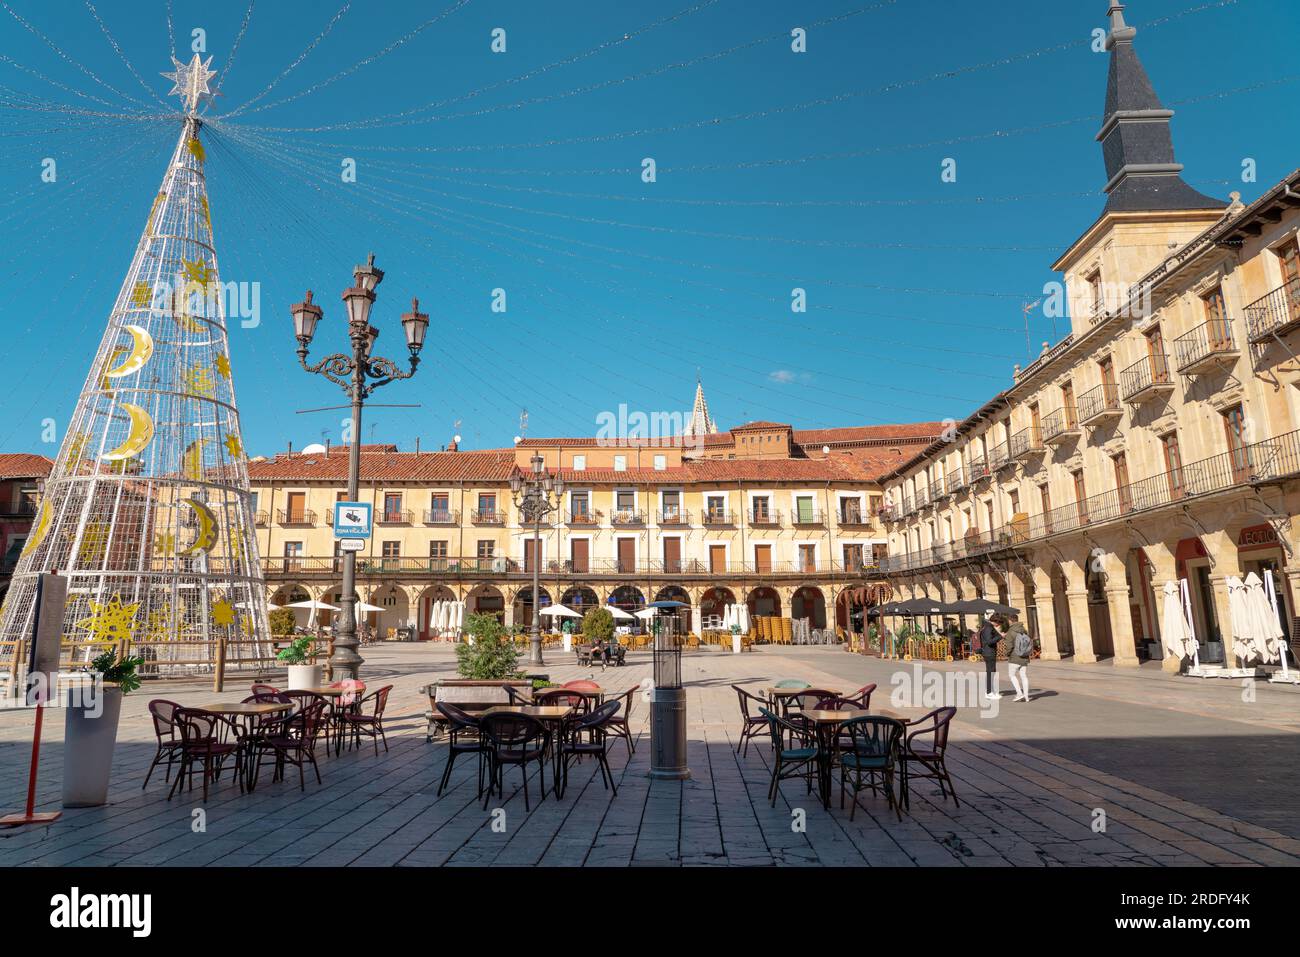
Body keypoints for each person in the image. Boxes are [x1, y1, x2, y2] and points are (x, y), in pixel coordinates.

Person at [1003, 614, 1033, 702]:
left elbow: (1009, 646)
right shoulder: (1024, 630)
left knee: (1011, 675)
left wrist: (1007, 654)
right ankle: (1026, 696)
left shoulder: (1010, 631)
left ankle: (1019, 693)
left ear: (1010, 621)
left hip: (1014, 656)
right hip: (1024, 656)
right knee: (1023, 676)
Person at [978, 613, 1007, 699]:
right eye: (999, 623)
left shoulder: (987, 627)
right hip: (988, 652)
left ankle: (992, 691)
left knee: (992, 672)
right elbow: (989, 641)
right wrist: (1000, 636)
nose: (999, 625)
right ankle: (989, 692)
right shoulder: (988, 628)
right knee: (990, 672)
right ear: (995, 621)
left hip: (989, 652)